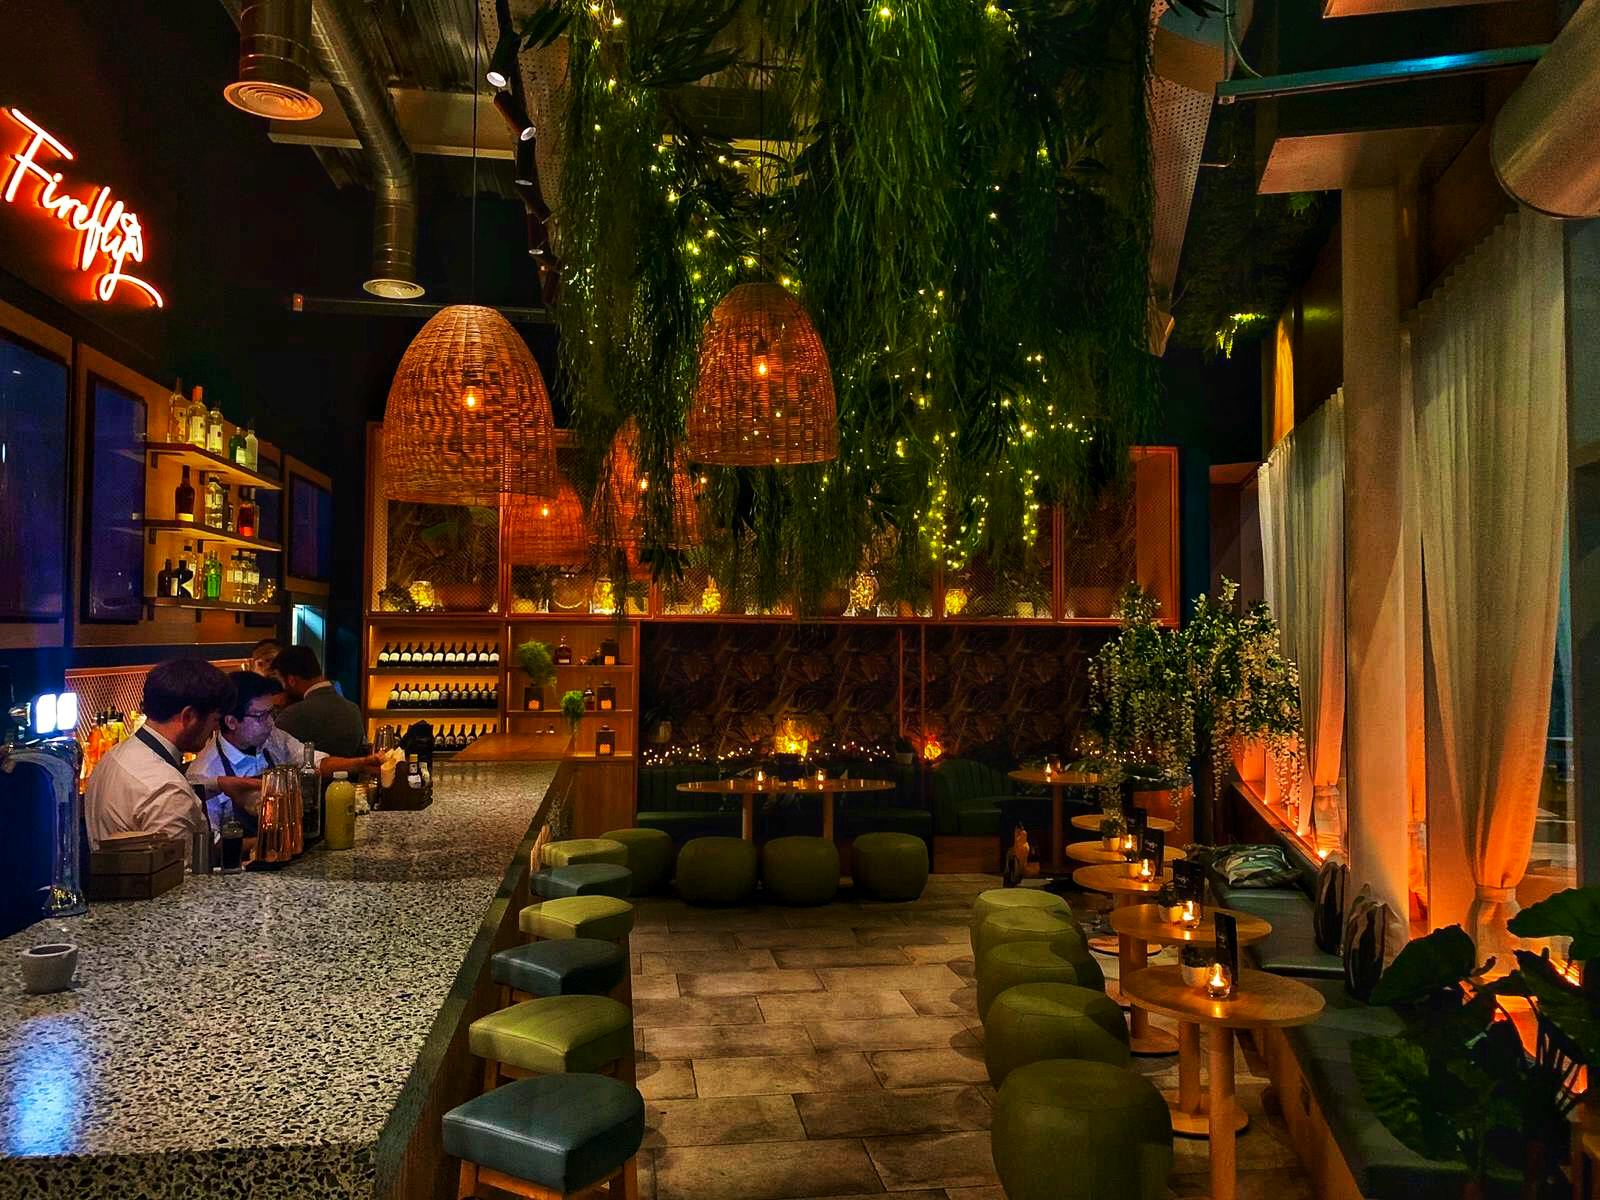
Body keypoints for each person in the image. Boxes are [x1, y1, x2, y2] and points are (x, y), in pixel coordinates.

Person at [187, 672, 381, 834]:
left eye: (271, 713)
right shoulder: (205, 772)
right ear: (231, 722)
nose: (270, 723)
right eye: (261, 716)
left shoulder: (273, 738)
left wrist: (361, 763)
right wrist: (280, 840)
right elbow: (213, 844)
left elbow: (312, 761)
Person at [85, 658, 233, 850]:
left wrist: (219, 784)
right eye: (215, 720)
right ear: (188, 717)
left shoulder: (116, 754)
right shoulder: (168, 791)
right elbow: (182, 868)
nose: (216, 728)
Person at [273, 645, 366, 757]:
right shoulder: (353, 709)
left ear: (291, 680)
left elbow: (275, 756)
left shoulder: (291, 715)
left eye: (280, 681)